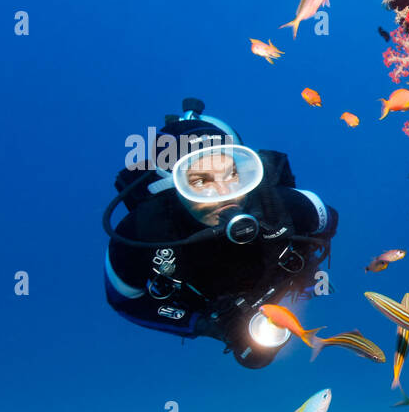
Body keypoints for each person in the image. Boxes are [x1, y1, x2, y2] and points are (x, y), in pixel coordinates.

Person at [103, 98, 338, 368]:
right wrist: (205, 325)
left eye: (232, 174)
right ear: (172, 187)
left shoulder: (284, 206)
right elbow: (123, 301)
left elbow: (329, 221)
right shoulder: (140, 234)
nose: (226, 192)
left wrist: (301, 271)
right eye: (200, 181)